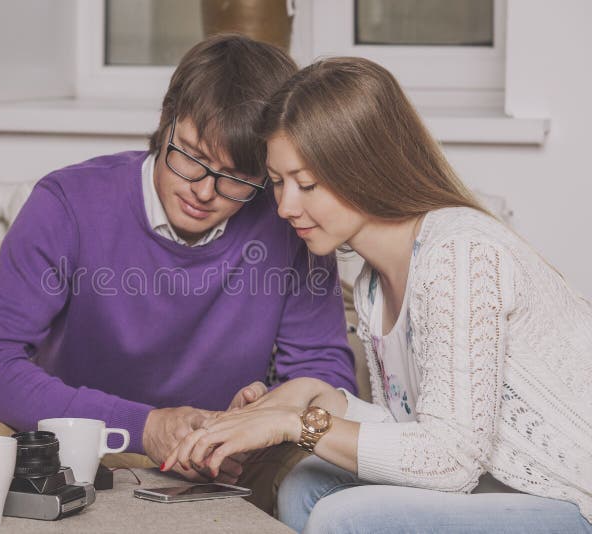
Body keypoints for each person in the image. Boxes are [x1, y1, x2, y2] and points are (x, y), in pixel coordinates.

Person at [163, 57, 592, 532]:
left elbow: (449, 462)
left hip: (572, 498)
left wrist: (295, 426)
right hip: (501, 488)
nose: (285, 207)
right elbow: (414, 431)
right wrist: (311, 399)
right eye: (279, 183)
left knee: (345, 516)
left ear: (362, 168)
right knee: (307, 484)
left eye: (306, 184)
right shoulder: (373, 283)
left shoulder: (459, 254)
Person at [0, 35, 357, 514]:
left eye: (236, 178)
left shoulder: (289, 222)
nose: (204, 191)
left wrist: (264, 417)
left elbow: (327, 380)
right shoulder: (67, 203)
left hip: (224, 468)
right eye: (190, 156)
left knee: (324, 477)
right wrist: (146, 428)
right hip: (81, 458)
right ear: (166, 120)